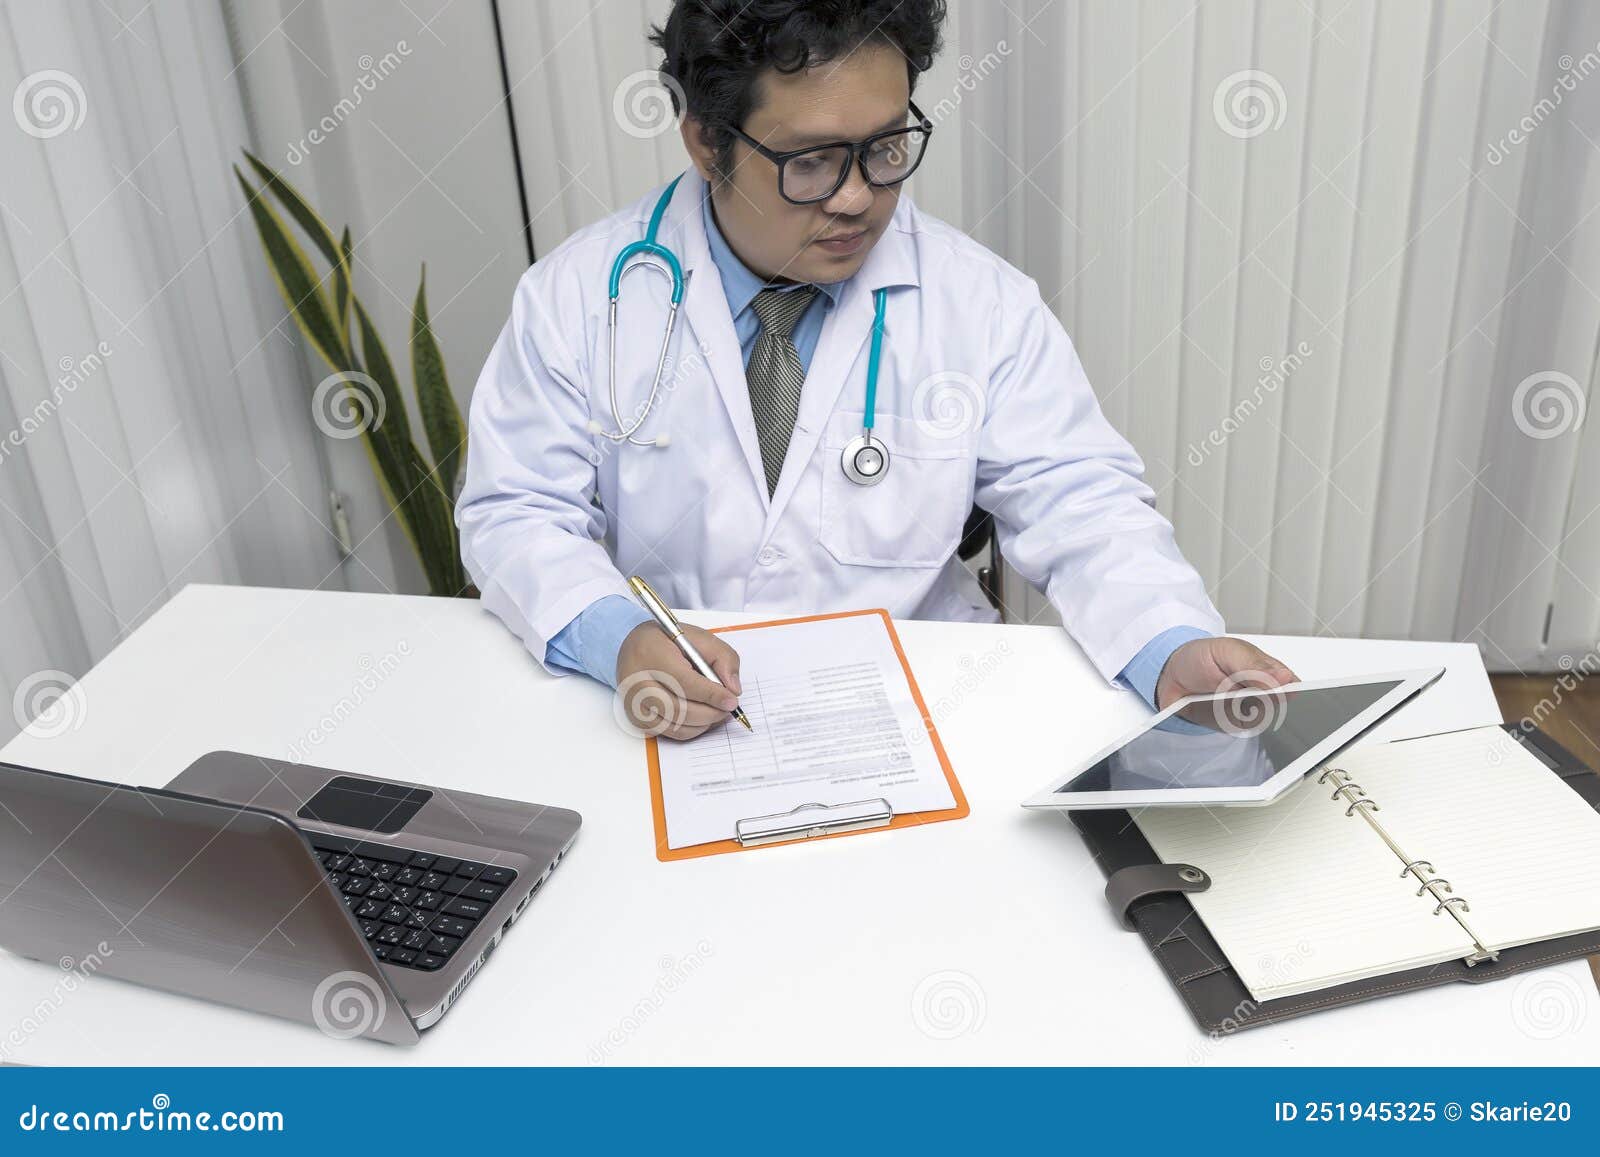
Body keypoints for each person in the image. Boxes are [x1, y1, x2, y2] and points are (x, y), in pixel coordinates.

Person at [457, 0, 1295, 740]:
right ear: (708, 143)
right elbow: (514, 510)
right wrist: (619, 638)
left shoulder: (981, 303)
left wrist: (1171, 643)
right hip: (681, 730)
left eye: (887, 146)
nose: (859, 197)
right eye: (813, 161)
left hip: (922, 714)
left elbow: (1083, 504)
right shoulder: (579, 298)